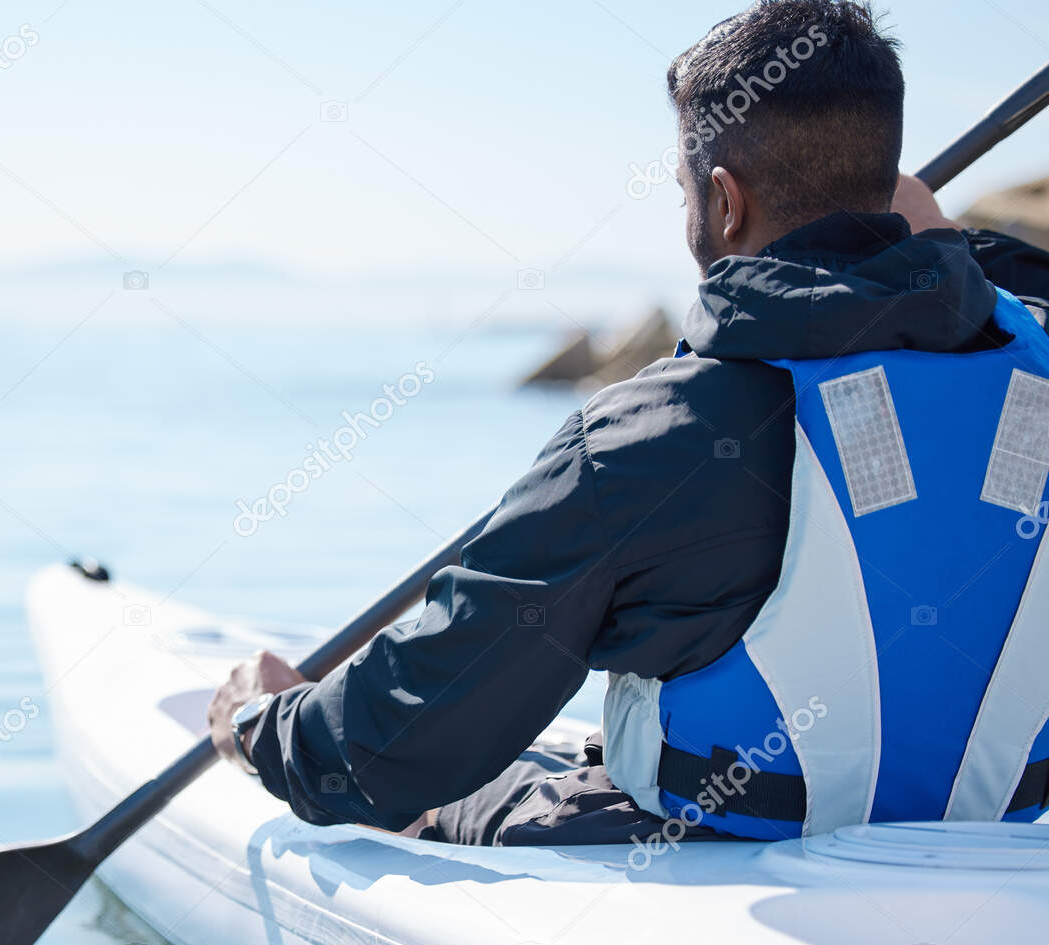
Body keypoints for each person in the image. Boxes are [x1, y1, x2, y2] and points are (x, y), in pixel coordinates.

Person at [207, 0, 1049, 846]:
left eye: (685, 191)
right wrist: (936, 246)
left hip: (709, 842)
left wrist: (266, 725)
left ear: (723, 202)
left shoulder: (647, 443)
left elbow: (395, 746)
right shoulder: (1034, 359)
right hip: (1004, 829)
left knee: (460, 786)